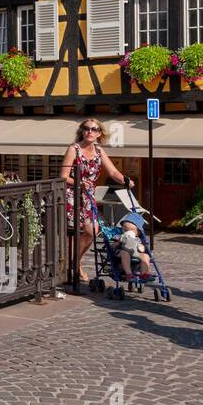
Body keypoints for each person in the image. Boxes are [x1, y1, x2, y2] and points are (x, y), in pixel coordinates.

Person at [60, 118, 134, 285]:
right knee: (75, 234)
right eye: (86, 128)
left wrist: (125, 180)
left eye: (94, 129)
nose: (90, 132)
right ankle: (74, 266)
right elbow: (63, 177)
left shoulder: (99, 152)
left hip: (88, 197)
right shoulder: (74, 149)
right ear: (82, 131)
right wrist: (79, 182)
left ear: (99, 133)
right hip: (73, 196)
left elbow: (113, 172)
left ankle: (72, 263)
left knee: (93, 230)